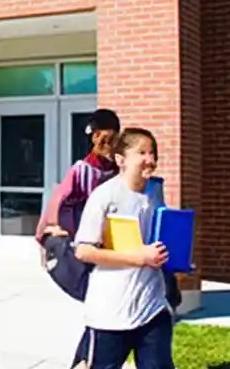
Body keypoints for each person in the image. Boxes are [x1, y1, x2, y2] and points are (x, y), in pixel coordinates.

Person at [74, 128, 175, 369]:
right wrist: (137, 258)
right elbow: (83, 251)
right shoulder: (105, 196)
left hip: (152, 306)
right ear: (121, 160)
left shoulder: (155, 193)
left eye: (153, 153)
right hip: (111, 312)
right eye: (142, 153)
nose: (150, 160)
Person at [36, 109, 121, 368]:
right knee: (100, 309)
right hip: (88, 249)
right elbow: (58, 201)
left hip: (112, 248)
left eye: (109, 138)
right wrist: (49, 233)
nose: (105, 144)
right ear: (94, 137)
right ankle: (84, 360)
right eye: (100, 138)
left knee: (103, 310)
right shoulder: (82, 170)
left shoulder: (118, 170)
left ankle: (84, 360)